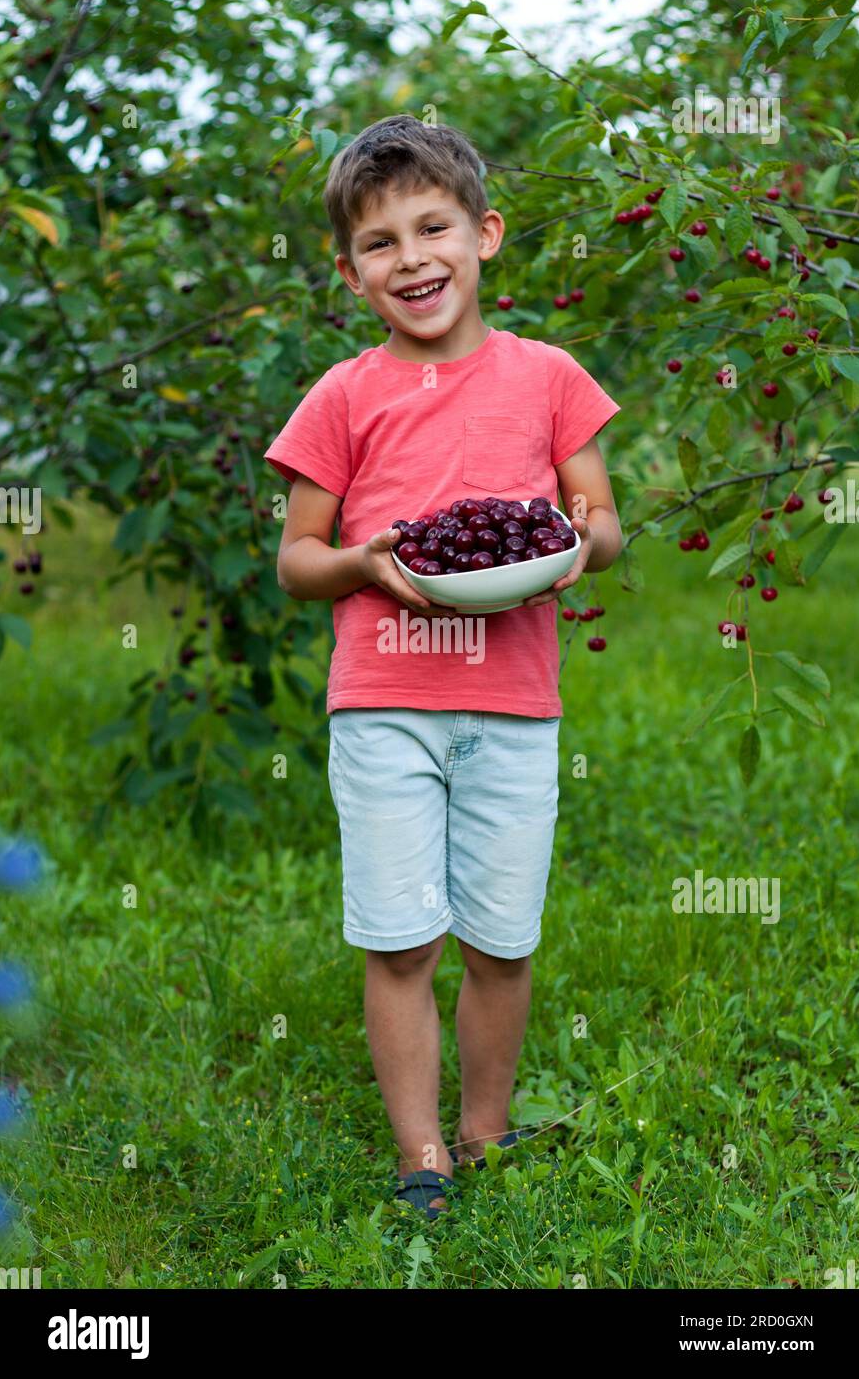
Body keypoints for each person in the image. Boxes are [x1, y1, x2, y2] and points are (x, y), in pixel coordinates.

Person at [263, 115, 623, 1220]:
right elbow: (298, 558)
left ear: (486, 235)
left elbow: (599, 518)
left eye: (434, 228)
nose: (411, 258)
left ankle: (483, 1133)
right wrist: (365, 563)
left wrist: (573, 551)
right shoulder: (341, 394)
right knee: (401, 936)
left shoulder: (550, 376)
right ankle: (420, 1154)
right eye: (379, 242)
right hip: (382, 705)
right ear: (348, 269)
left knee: (501, 940)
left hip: (513, 706)